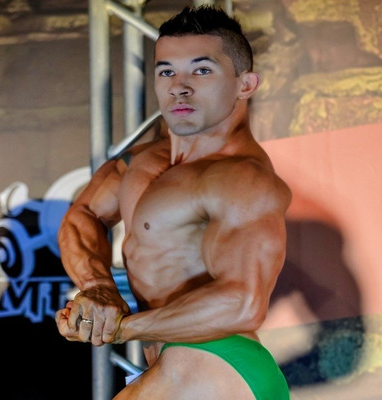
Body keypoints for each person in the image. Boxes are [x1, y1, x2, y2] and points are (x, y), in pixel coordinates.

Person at [56, 5, 292, 400]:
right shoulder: (138, 163)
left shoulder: (242, 178)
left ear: (245, 84)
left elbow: (243, 304)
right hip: (175, 365)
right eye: (166, 72)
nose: (179, 87)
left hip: (217, 363)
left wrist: (121, 328)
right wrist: (99, 288)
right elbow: (84, 215)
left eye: (202, 71)